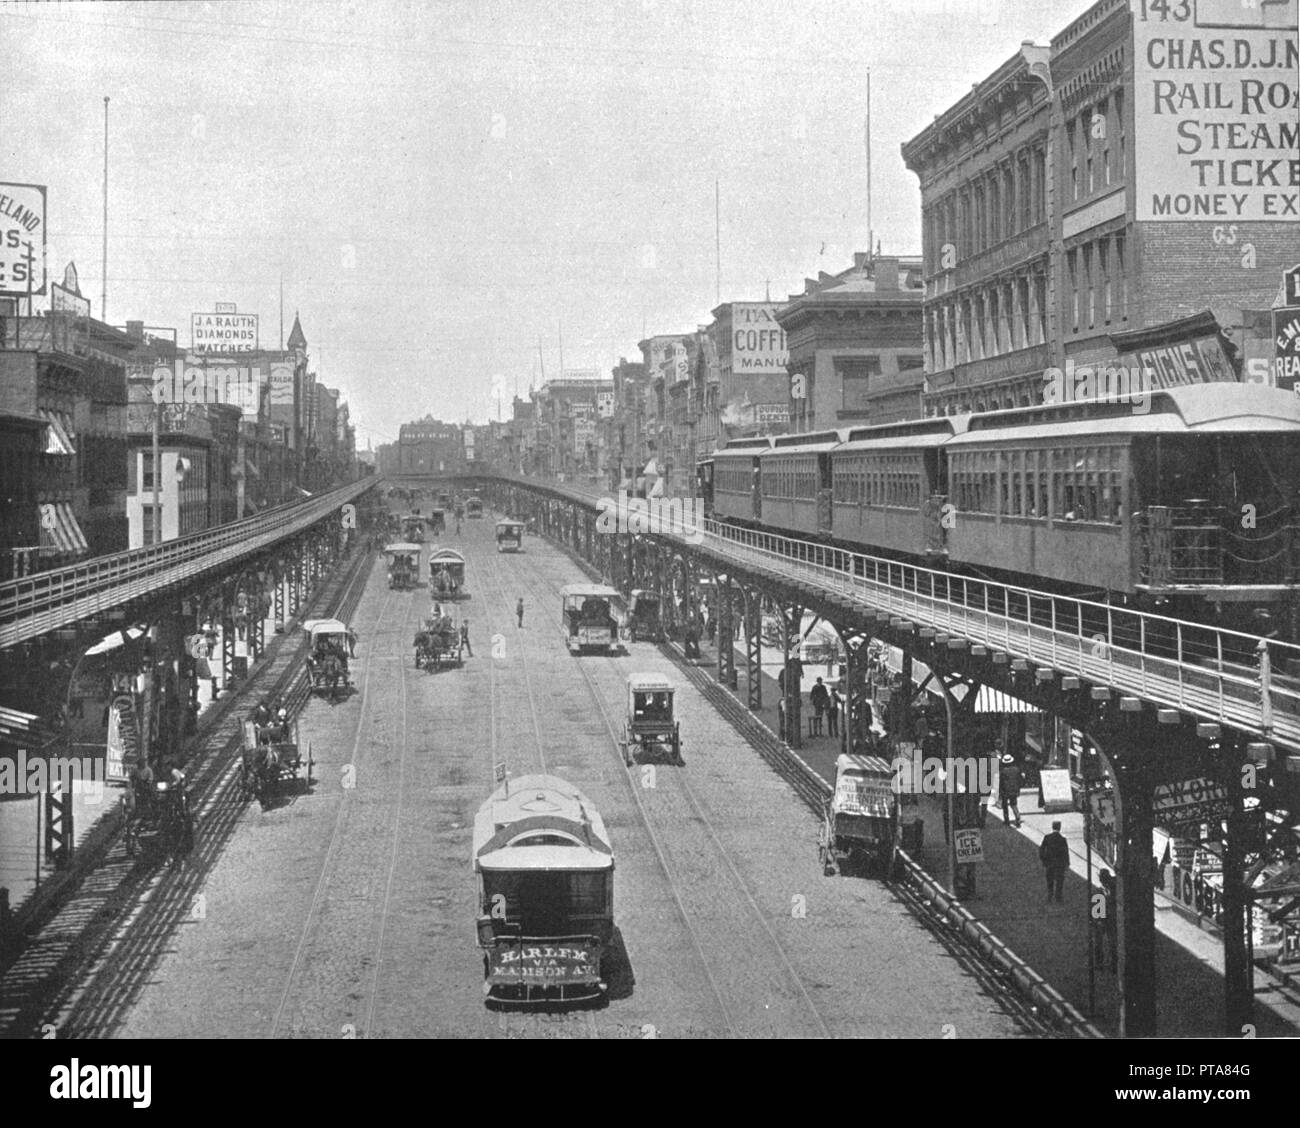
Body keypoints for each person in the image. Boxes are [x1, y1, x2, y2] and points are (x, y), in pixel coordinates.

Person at [1040, 820, 1069, 904]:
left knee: (1050, 880)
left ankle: (1050, 895)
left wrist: (1044, 859)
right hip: (1059, 864)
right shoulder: (1062, 839)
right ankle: (1058, 897)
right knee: (1059, 880)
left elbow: (1041, 849)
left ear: (1052, 827)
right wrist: (1066, 863)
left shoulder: (1047, 837)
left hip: (1049, 863)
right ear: (1060, 827)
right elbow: (1065, 852)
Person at [1095, 869, 1118, 971]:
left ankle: (1103, 963)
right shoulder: (1108, 888)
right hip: (1110, 919)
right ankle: (1112, 964)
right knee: (1111, 942)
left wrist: (1098, 921)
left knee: (1101, 941)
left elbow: (1097, 910)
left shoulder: (1102, 890)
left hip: (1108, 919)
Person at [998, 751, 1022, 827]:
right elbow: (1019, 780)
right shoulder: (1016, 769)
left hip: (1005, 790)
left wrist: (1000, 792)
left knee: (1005, 806)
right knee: (1014, 804)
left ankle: (1006, 820)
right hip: (1014, 790)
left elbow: (1001, 782)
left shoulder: (1003, 771)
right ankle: (1017, 817)